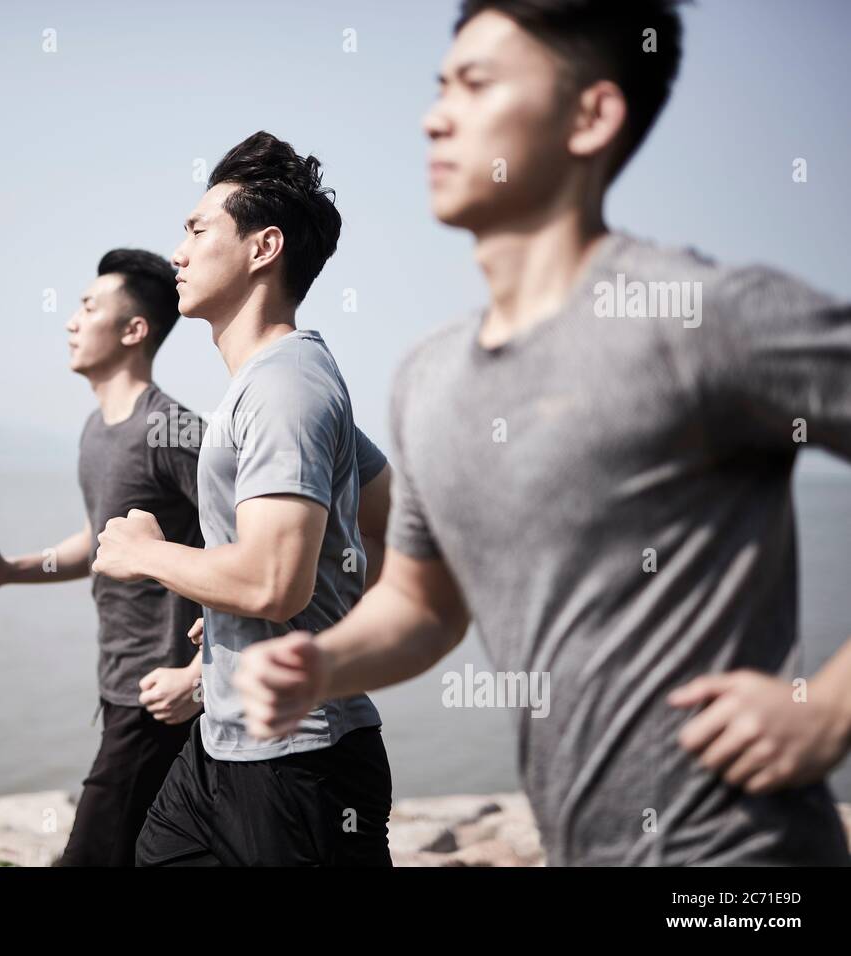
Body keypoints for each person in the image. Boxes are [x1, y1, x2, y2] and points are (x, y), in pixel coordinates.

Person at [236, 0, 851, 866]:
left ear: (591, 116)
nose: (435, 115)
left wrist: (827, 709)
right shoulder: (430, 378)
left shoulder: (704, 318)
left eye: (477, 84)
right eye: (441, 84)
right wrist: (322, 665)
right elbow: (422, 607)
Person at [92, 132, 395, 865]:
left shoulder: (285, 388)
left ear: (263, 248)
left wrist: (151, 553)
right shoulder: (269, 385)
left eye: (197, 230)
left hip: (301, 766)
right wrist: (264, 624)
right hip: (221, 752)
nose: (179, 253)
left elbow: (272, 581)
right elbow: (389, 516)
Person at [0, 249, 204, 866]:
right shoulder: (97, 430)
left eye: (90, 306)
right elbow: (101, 540)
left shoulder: (171, 430)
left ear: (134, 330)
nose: (72, 320)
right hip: (123, 682)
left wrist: (202, 676)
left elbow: (251, 546)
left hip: (164, 691)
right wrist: (10, 570)